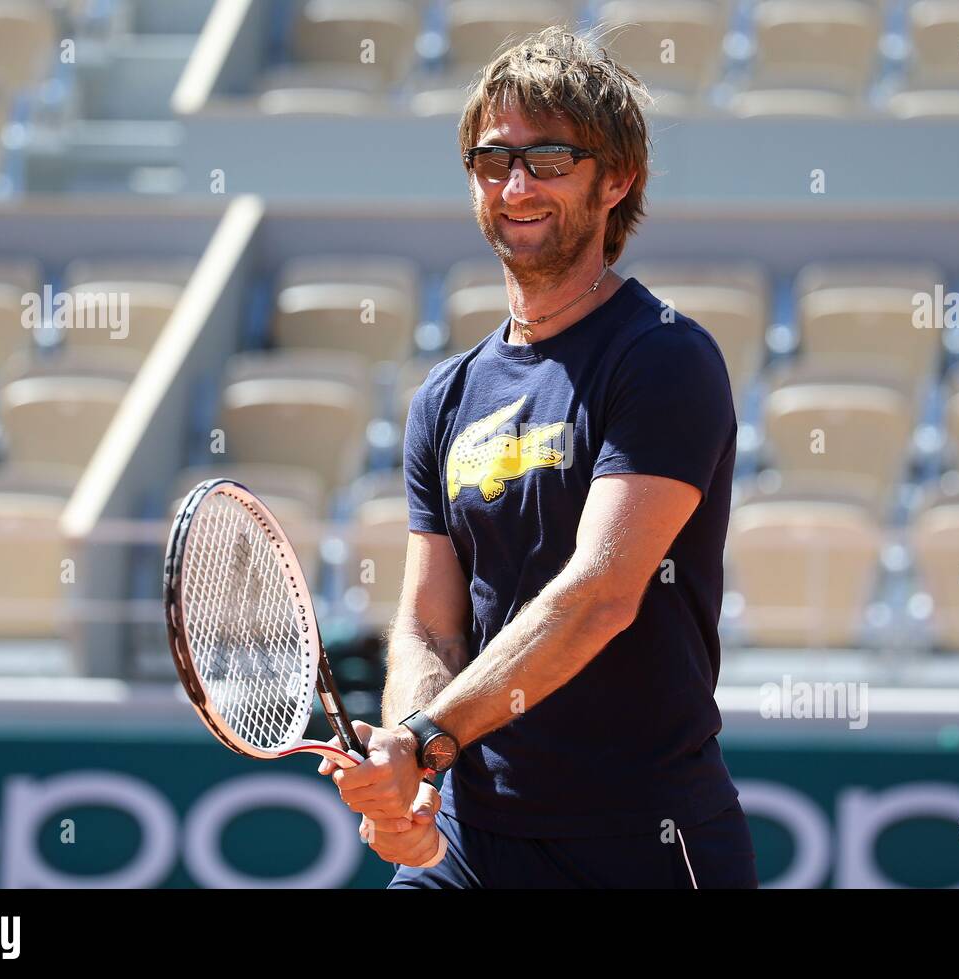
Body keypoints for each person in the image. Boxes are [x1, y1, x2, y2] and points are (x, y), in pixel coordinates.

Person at [318, 26, 756, 888]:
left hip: (647, 841)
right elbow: (427, 623)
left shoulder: (663, 356)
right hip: (478, 843)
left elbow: (599, 596)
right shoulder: (444, 396)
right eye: (492, 160)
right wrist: (419, 783)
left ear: (616, 178)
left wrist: (426, 739)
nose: (515, 185)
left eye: (548, 158)